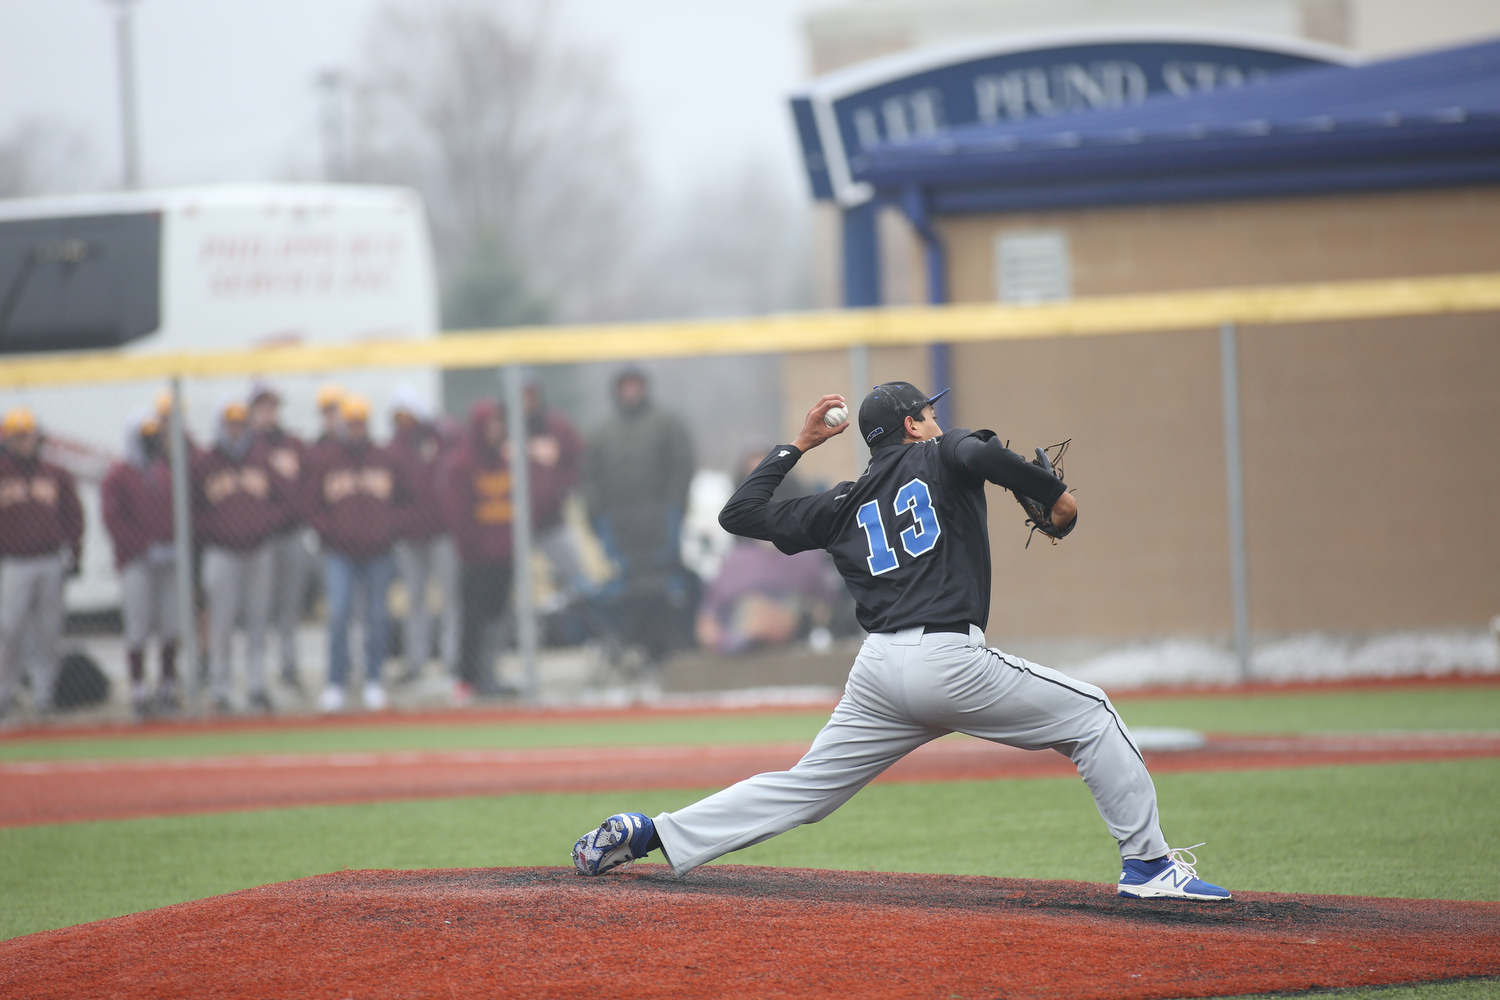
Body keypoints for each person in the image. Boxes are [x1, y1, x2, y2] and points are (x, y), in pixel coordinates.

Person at [572, 382, 1230, 902]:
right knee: (1092, 714)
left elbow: (737, 514)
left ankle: (652, 832)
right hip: (947, 659)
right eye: (928, 414)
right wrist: (1051, 492)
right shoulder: (943, 452)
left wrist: (797, 443)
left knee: (805, 790)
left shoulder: (845, 497)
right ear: (912, 425)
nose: (938, 422)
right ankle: (1148, 865)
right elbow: (977, 453)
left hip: (880, 672)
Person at [580, 367, 697, 664]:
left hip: (658, 521)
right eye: (625, 386)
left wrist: (674, 508)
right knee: (625, 589)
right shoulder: (602, 431)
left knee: (662, 587)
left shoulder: (666, 423)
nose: (631, 392)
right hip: (619, 525)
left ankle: (666, 648)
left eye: (636, 386)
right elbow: (589, 477)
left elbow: (682, 466)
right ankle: (627, 646)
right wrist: (597, 516)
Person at [303, 394, 410, 713]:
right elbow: (310, 504)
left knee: (376, 617)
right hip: (340, 552)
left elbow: (407, 499)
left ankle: (373, 680)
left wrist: (388, 526)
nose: (356, 429)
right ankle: (336, 682)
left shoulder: (385, 458)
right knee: (338, 615)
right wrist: (331, 531)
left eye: (360, 423)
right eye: (351, 423)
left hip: (378, 551)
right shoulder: (327, 459)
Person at [191, 400, 282, 714]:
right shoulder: (205, 462)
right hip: (222, 552)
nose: (235, 429)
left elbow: (283, 500)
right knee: (221, 626)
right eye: (230, 424)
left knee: (258, 623)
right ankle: (220, 689)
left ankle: (257, 686)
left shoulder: (261, 458)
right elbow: (192, 509)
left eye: (240, 424)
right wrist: (218, 529)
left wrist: (262, 525)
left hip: (258, 550)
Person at [0, 407, 83, 718]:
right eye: (19, 436)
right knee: (10, 629)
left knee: (48, 632)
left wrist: (75, 551)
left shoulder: (54, 473)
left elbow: (73, 515)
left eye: (29, 435)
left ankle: (43, 696)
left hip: (50, 558)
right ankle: (4, 695)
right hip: (14, 561)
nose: (25, 442)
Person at [100, 411, 180, 716]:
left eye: (154, 435)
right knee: (138, 625)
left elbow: (179, 512)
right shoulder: (119, 474)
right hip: (137, 561)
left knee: (171, 625)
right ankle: (138, 690)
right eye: (145, 435)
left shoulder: (165, 471)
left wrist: (171, 542)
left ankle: (168, 687)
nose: (151, 441)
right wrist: (143, 547)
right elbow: (113, 520)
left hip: (168, 559)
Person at [439, 400, 516, 700]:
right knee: (473, 619)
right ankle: (468, 677)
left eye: (499, 424)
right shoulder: (463, 464)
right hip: (476, 557)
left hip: (502, 554)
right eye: (491, 424)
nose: (496, 431)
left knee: (498, 617)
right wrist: (474, 548)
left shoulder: (507, 461)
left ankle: (490, 672)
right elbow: (457, 514)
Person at [387, 385, 459, 684]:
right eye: (399, 416)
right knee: (415, 600)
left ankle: (453, 658)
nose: (404, 421)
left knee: (450, 597)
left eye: (408, 414)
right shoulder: (395, 448)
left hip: (441, 531)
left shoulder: (441, 439)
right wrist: (400, 522)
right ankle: (416, 660)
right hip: (410, 535)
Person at [248, 381, 313, 695]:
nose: (268, 412)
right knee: (258, 610)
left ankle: (288, 668)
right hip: (258, 540)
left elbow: (304, 489)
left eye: (272, 406)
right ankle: (257, 676)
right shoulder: (245, 447)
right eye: (262, 406)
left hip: (290, 534)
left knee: (289, 607)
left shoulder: (292, 444)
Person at [521, 378, 587, 609]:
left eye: (530, 395)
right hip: (510, 524)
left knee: (576, 577)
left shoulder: (557, 427)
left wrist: (559, 490)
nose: (526, 401)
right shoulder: (500, 428)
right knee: (503, 582)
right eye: (520, 396)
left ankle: (582, 628)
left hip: (551, 519)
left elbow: (577, 460)